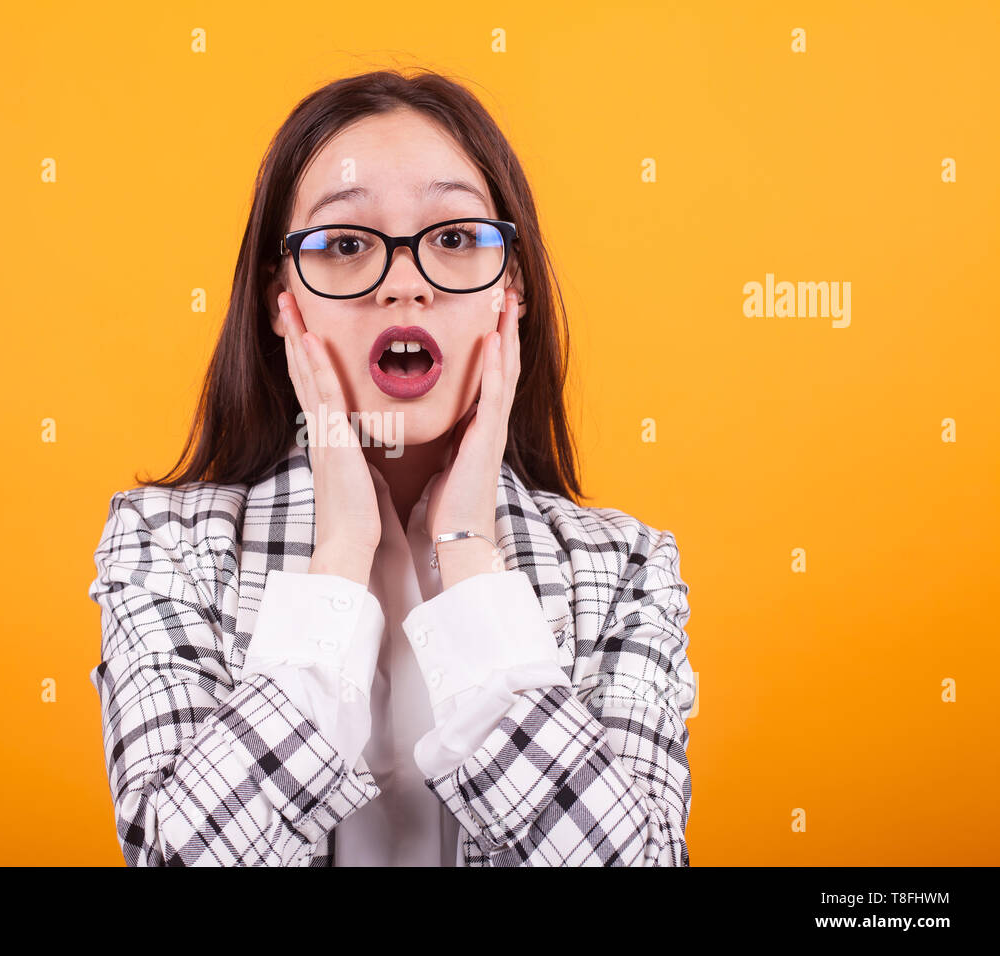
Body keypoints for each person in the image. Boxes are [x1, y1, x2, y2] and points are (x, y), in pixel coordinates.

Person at [87, 68, 695, 866]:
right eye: (345, 244)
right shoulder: (167, 548)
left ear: (510, 292)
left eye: (452, 238)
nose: (403, 285)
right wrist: (339, 554)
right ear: (282, 302)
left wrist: (471, 553)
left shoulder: (625, 571)